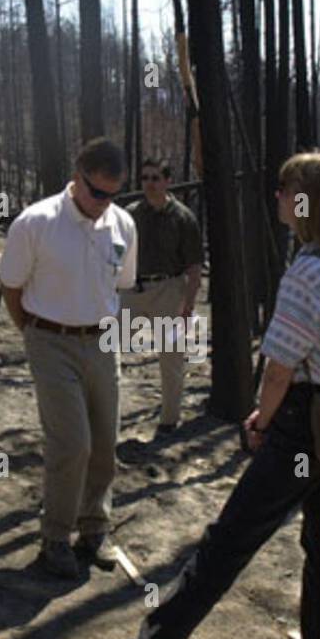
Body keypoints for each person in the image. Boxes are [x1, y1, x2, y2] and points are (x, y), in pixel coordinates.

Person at [61, 151, 320, 639]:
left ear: (308, 202)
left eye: (286, 189)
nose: (277, 197)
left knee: (224, 545)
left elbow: (279, 371)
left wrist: (261, 421)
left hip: (301, 423)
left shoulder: (308, 270)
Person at [0, 138, 138, 578]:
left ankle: (94, 528)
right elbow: (12, 288)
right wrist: (36, 335)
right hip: (49, 339)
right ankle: (55, 537)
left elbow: (122, 284)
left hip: (101, 342)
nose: (102, 203)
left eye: (112, 194)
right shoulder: (35, 222)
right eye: (96, 192)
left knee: (103, 444)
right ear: (77, 177)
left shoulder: (123, 225)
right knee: (71, 443)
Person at [120, 158, 203, 435]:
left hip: (168, 290)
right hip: (131, 291)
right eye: (145, 178)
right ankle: (102, 415)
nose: (150, 183)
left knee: (171, 358)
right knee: (106, 349)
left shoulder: (183, 217)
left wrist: (188, 303)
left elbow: (194, 265)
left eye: (156, 177)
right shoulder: (129, 215)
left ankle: (169, 420)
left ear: (167, 181)